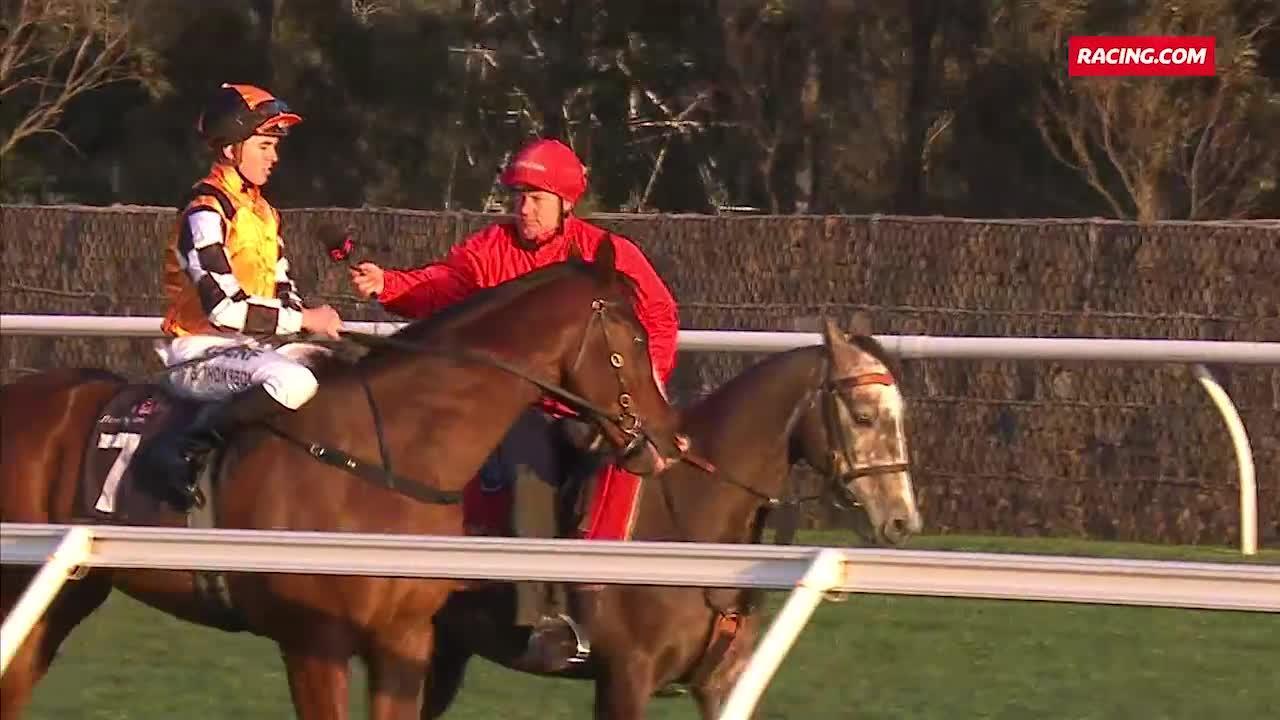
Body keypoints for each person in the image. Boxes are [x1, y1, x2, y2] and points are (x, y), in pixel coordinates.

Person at [348, 137, 679, 670]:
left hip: (597, 407)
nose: (523, 208)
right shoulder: (487, 250)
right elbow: (443, 287)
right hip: (516, 410)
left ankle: (624, 605)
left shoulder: (604, 254)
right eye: (518, 196)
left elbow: (659, 316)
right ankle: (537, 616)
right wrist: (390, 284)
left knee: (623, 466)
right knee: (532, 463)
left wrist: (648, 385)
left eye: (537, 198)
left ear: (567, 203)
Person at [141, 83, 344, 509]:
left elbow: (283, 291)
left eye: (274, 146)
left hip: (246, 351)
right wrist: (305, 320)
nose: (275, 157)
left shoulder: (265, 213)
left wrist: (304, 317)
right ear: (232, 149)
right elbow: (225, 308)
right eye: (265, 145)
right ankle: (179, 450)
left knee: (334, 369)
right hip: (199, 352)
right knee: (292, 380)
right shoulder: (204, 210)